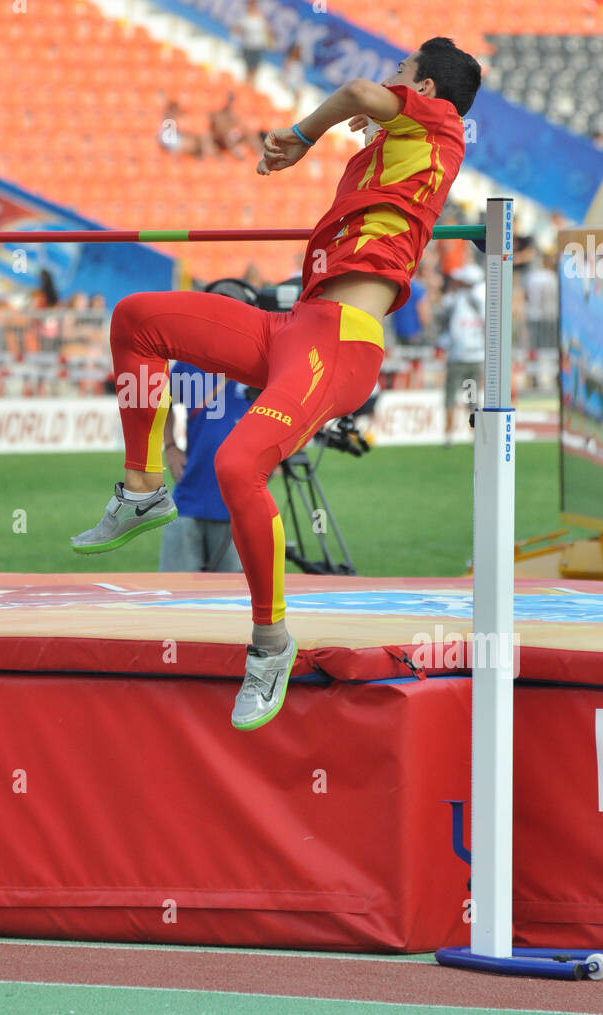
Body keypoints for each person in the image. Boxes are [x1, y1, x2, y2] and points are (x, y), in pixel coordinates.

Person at [71, 37, 481, 730]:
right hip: (294, 326)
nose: (389, 81)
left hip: (340, 344)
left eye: (401, 75)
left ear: (429, 92)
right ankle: (141, 491)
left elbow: (353, 93)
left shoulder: (436, 124)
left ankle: (269, 643)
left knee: (236, 463)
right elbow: (370, 107)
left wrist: (298, 137)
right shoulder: (402, 139)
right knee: (136, 320)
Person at [160, 359, 251, 574]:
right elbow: (161, 402)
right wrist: (170, 446)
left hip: (241, 507)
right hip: (189, 500)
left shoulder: (262, 362)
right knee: (175, 596)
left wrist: (278, 459)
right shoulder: (191, 360)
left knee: (235, 601)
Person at [440, 264, 485, 446]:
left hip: (458, 357)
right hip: (477, 356)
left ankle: (448, 436)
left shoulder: (454, 300)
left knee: (450, 396)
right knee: (472, 399)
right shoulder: (485, 300)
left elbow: (443, 317)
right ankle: (474, 436)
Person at [232, 0, 271, 85]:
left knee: (255, 70)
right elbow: (237, 30)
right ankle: (246, 86)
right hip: (248, 46)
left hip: (257, 47)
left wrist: (269, 42)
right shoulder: (244, 17)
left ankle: (251, 86)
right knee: (247, 69)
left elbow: (267, 31)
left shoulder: (261, 18)